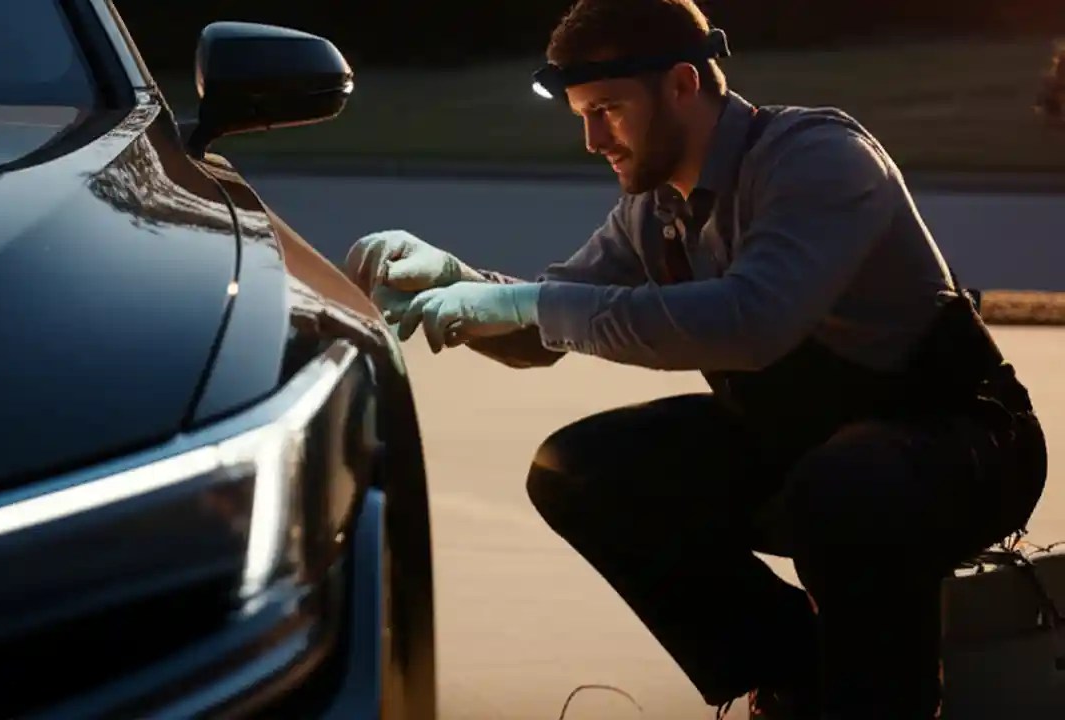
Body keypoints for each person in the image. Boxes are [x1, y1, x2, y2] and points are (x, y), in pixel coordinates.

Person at [344, 1, 1049, 718]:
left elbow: (750, 321)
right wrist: (456, 282)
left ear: (683, 84)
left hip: (965, 445)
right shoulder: (656, 211)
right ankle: (800, 674)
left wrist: (527, 303)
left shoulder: (817, 158)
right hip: (811, 449)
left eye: (608, 109)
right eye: (583, 114)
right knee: (580, 472)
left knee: (845, 484)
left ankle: (887, 704)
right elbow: (549, 318)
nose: (592, 140)